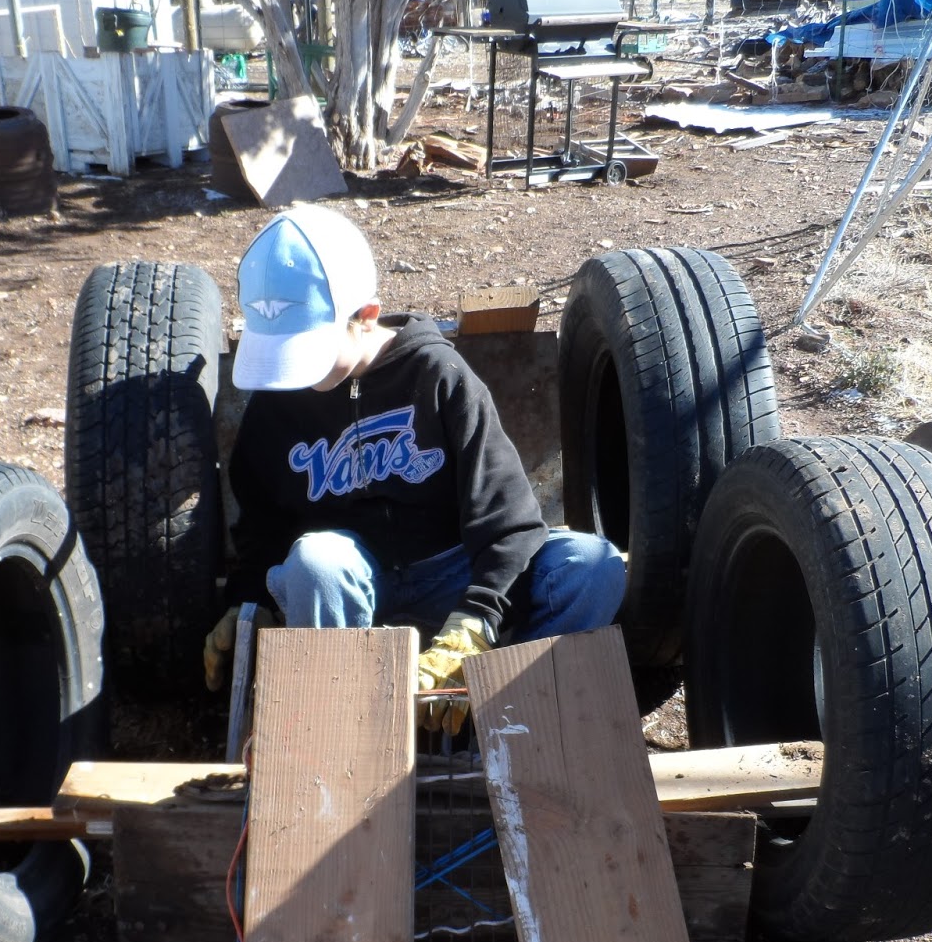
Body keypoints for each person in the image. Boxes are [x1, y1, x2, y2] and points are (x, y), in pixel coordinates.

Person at [203, 205, 625, 729]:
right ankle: (338, 740)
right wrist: (245, 601)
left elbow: (510, 521)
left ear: (367, 316)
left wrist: (474, 622)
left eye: (306, 350)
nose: (294, 371)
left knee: (593, 566)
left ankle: (510, 729)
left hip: (454, 569)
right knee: (316, 560)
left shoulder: (438, 375)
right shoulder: (278, 399)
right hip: (350, 585)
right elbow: (263, 524)